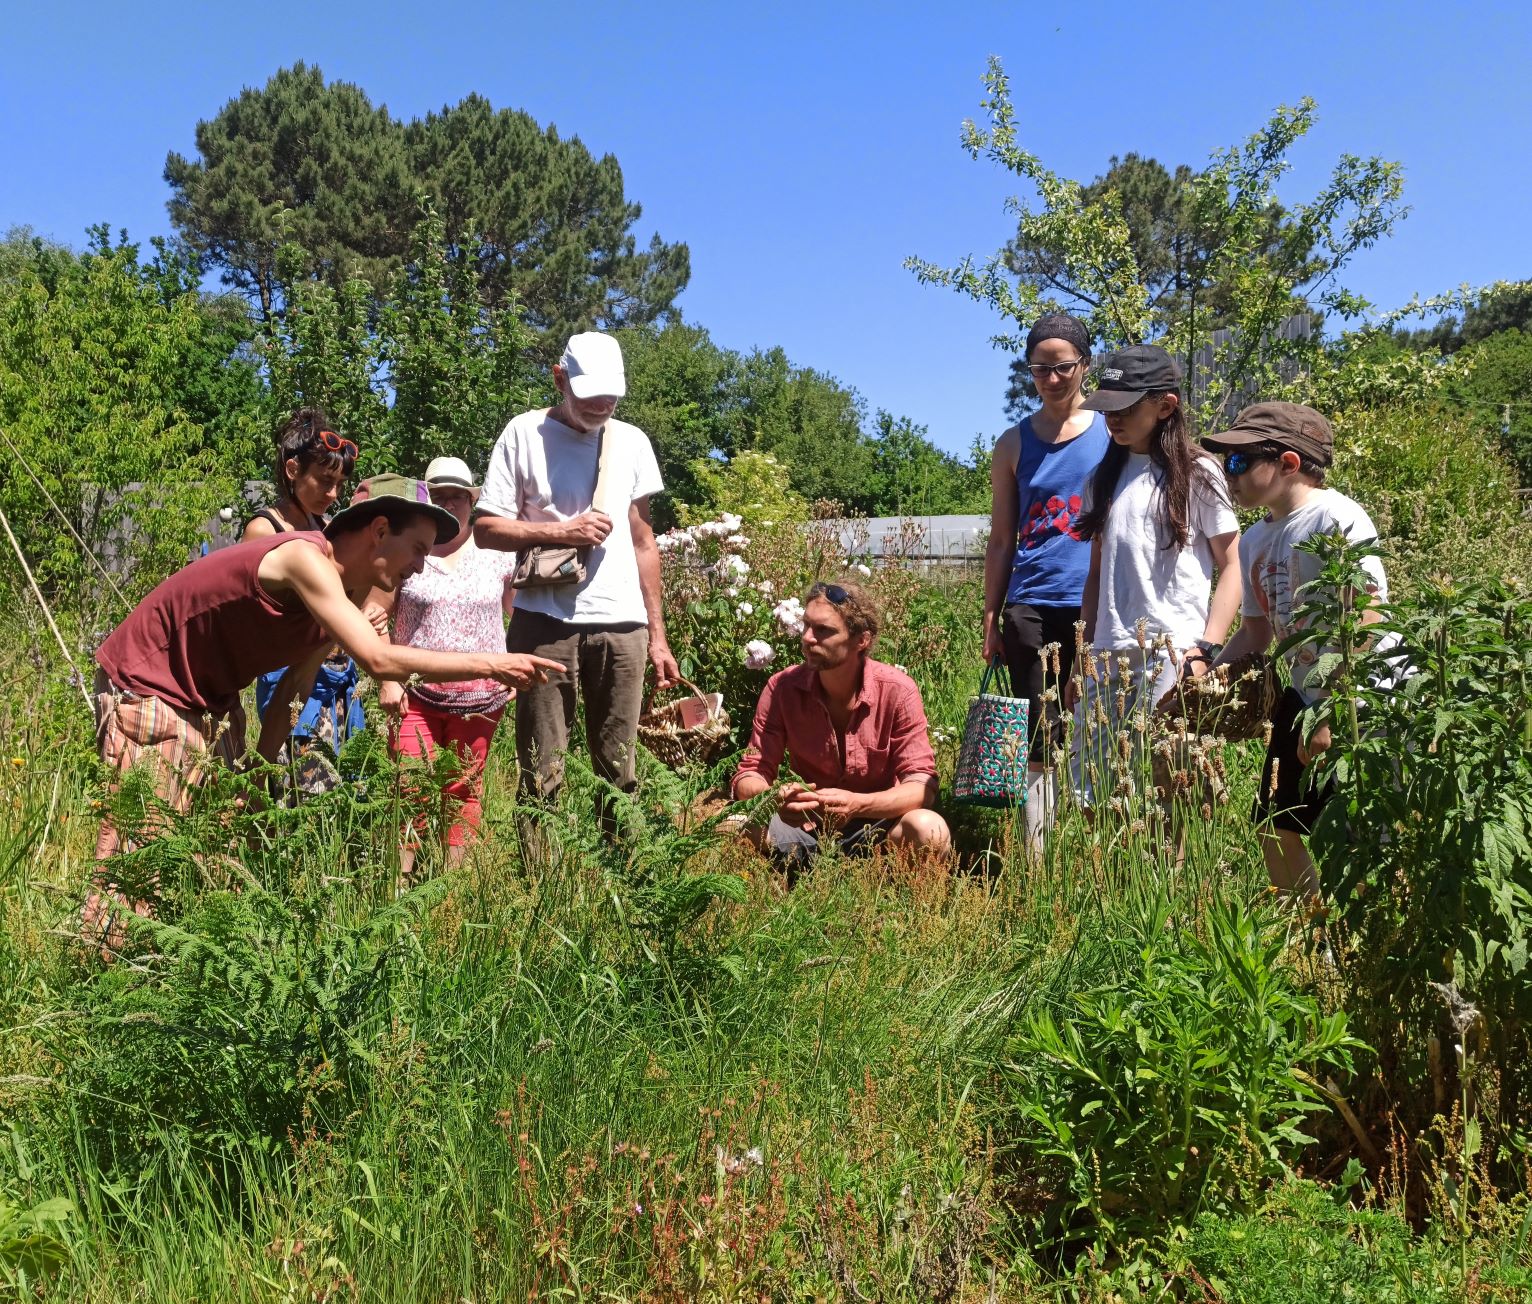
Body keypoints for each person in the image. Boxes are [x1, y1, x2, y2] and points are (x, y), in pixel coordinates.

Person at [85, 475, 564, 944]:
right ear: (380, 530)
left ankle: (166, 967)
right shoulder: (304, 559)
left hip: (212, 701)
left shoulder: (343, 593)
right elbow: (378, 661)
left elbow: (295, 687)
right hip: (151, 686)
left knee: (213, 847)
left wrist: (259, 774)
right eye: (418, 549)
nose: (420, 567)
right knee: (140, 853)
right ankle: (100, 966)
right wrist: (493, 664)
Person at [473, 331, 679, 828]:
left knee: (620, 772)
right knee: (541, 771)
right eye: (590, 395)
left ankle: (619, 869)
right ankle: (541, 873)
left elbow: (643, 543)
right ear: (559, 379)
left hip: (623, 625)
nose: (602, 406)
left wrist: (658, 636)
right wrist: (561, 531)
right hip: (544, 624)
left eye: (611, 396)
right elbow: (485, 529)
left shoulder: (632, 442)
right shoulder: (523, 433)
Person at [1202, 401, 1391, 897]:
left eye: (1239, 462)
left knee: (1366, 835)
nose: (1229, 475)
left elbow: (1367, 617)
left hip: (1359, 701)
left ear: (1287, 462)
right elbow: (1255, 632)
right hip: (1304, 697)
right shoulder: (1254, 540)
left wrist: (1331, 709)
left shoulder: (1336, 516)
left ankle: (1373, 934)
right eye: (1225, 463)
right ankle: (1306, 931)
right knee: (1276, 822)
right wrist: (1205, 681)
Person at [1066, 345, 1242, 802]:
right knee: (1089, 791)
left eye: (1126, 408)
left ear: (1165, 406)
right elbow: (1096, 575)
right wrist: (1081, 657)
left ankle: (1172, 857)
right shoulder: (1100, 480)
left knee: (1167, 790)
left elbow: (1233, 566)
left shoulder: (1199, 473)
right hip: (1105, 656)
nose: (1113, 418)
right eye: (1107, 408)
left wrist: (1205, 649)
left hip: (1172, 655)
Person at [981, 314, 1110, 847]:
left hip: (1098, 601)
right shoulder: (1013, 443)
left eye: (1062, 367)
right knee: (1039, 729)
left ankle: (1096, 849)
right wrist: (991, 618)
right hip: (1030, 602)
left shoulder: (1113, 431)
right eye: (1040, 368)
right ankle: (1038, 856)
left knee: (1096, 725)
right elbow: (1001, 539)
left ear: (1085, 365)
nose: (1052, 379)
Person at [732, 579, 949, 869]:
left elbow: (921, 786)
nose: (808, 638)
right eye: (807, 625)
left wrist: (858, 804)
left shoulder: (897, 691)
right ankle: (791, 880)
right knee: (735, 824)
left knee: (929, 829)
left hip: (878, 828)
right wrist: (776, 798)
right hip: (805, 828)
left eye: (823, 630)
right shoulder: (782, 688)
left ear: (862, 640)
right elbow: (750, 773)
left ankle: (891, 887)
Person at [378, 457, 519, 880]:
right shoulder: (407, 550)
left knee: (464, 789)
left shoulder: (497, 554)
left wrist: (515, 665)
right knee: (411, 787)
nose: (449, 503)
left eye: (458, 496)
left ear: (472, 503)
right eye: (439, 496)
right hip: (414, 694)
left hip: (481, 698)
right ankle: (399, 887)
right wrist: (388, 680)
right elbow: (375, 615)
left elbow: (520, 614)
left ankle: (453, 890)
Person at [243, 408, 364, 790]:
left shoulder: (327, 528)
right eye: (325, 481)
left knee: (343, 790)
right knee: (302, 790)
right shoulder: (265, 529)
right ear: (293, 470)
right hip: (291, 680)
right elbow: (253, 615)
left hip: (337, 678)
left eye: (340, 484)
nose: (333, 494)